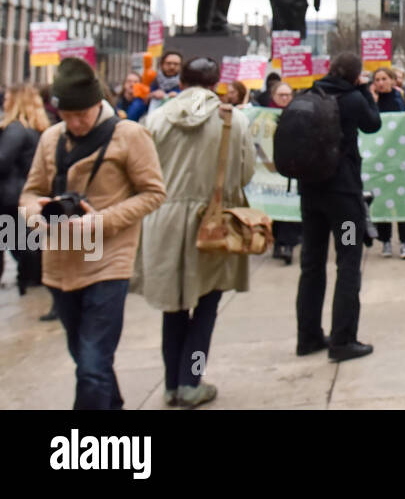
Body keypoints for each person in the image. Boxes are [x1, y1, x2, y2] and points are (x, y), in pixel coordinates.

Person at [19, 58, 166, 409]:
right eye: (66, 115)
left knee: (92, 364)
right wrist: (35, 214)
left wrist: (100, 221)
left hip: (107, 261)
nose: (74, 123)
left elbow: (155, 193)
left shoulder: (129, 134)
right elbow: (29, 191)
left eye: (81, 114)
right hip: (59, 265)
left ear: (97, 103)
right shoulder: (51, 138)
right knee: (87, 358)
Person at [134, 57, 256, 408]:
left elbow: (143, 172)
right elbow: (245, 173)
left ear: (182, 81)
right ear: (217, 82)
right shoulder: (235, 120)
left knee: (172, 306)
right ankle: (192, 379)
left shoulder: (155, 118)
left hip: (163, 218)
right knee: (207, 304)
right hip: (212, 218)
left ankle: (172, 383)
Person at [295, 51, 381, 362]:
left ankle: (308, 337)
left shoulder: (309, 93)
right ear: (356, 75)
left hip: (310, 193)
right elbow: (373, 124)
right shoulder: (353, 98)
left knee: (312, 264)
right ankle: (343, 339)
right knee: (347, 263)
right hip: (343, 197)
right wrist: (363, 90)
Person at [0, 84, 49, 293]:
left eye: (8, 98)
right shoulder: (37, 128)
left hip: (11, 195)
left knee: (20, 244)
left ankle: (29, 281)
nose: (4, 101)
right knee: (26, 242)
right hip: (25, 193)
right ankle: (32, 280)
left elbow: (2, 161)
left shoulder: (15, 129)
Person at [369, 66, 405, 259]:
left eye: (384, 79)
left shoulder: (402, 97)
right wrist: (371, 101)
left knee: (402, 200)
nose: (381, 83)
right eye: (377, 79)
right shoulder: (371, 100)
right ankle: (385, 241)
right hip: (379, 160)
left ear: (392, 80)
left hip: (401, 158)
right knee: (381, 201)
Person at [264, 79, 301, 264]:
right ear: (273, 96)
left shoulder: (300, 114)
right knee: (275, 208)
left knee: (290, 209)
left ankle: (288, 245)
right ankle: (278, 242)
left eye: (288, 95)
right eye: (281, 95)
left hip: (293, 168)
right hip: (270, 169)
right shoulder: (264, 115)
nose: (285, 98)